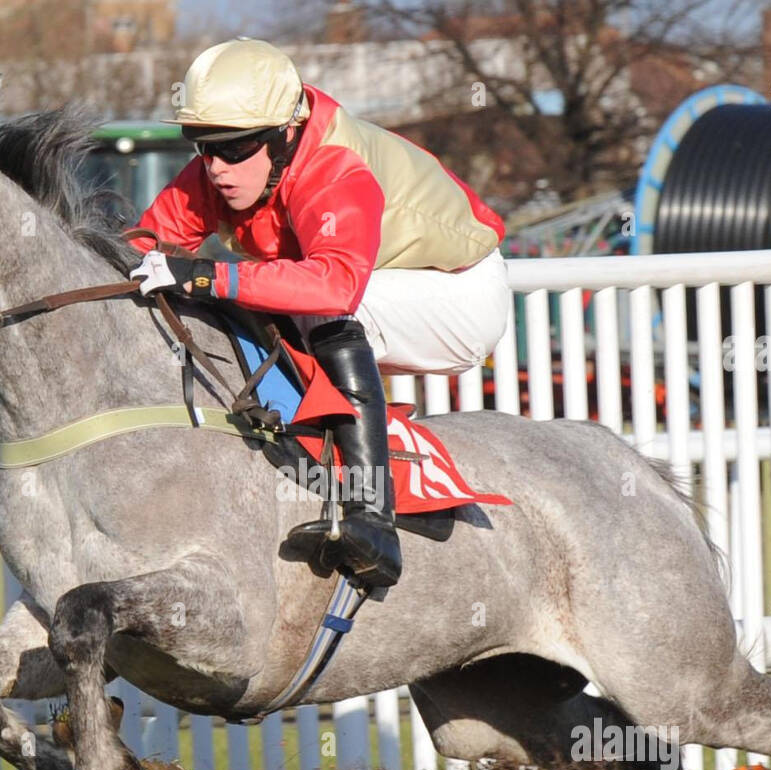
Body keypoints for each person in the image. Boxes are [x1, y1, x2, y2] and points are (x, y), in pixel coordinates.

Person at [129, 38, 509, 589]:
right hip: (374, 283)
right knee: (255, 302)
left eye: (233, 149)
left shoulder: (334, 166)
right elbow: (137, 249)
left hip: (459, 292)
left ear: (284, 136)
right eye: (200, 146)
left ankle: (373, 522)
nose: (214, 168)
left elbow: (334, 284)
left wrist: (208, 275)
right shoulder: (223, 168)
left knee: (316, 309)